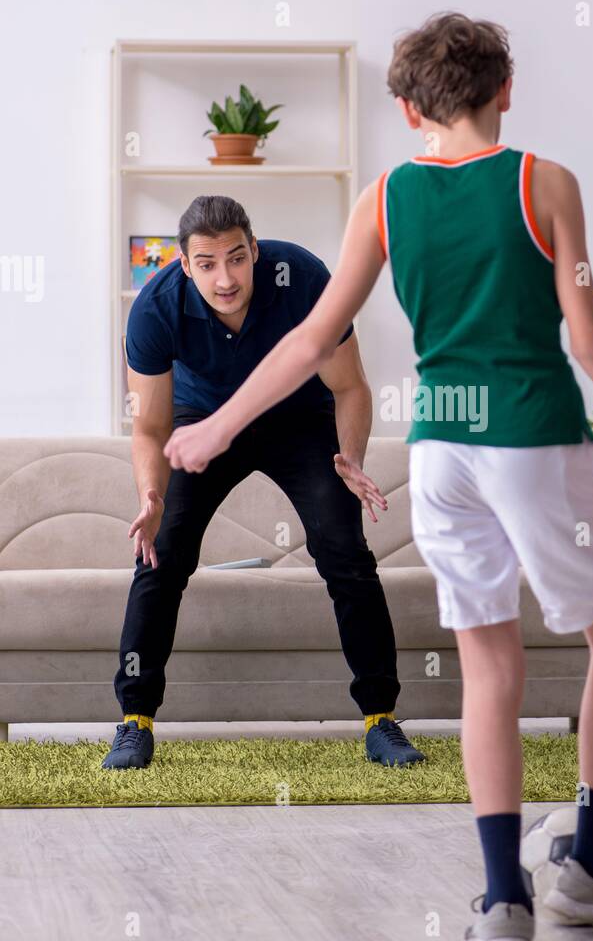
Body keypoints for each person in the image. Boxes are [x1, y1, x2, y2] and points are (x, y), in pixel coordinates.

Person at [163, 13, 593, 941]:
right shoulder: (544, 181)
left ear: (407, 106)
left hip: (440, 453)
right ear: (507, 89)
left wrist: (215, 425)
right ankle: (590, 861)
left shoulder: (383, 198)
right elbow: (587, 339)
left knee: (486, 668)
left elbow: (310, 340)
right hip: (531, 442)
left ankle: (503, 902)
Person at [104, 195, 424, 771]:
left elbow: (350, 388)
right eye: (206, 263)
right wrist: (151, 493)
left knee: (345, 553)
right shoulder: (155, 310)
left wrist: (350, 457)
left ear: (255, 250)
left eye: (235, 258)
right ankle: (135, 721)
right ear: (183, 265)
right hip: (201, 425)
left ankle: (381, 719)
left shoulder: (301, 279)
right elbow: (150, 426)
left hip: (299, 420)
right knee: (161, 553)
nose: (224, 278)